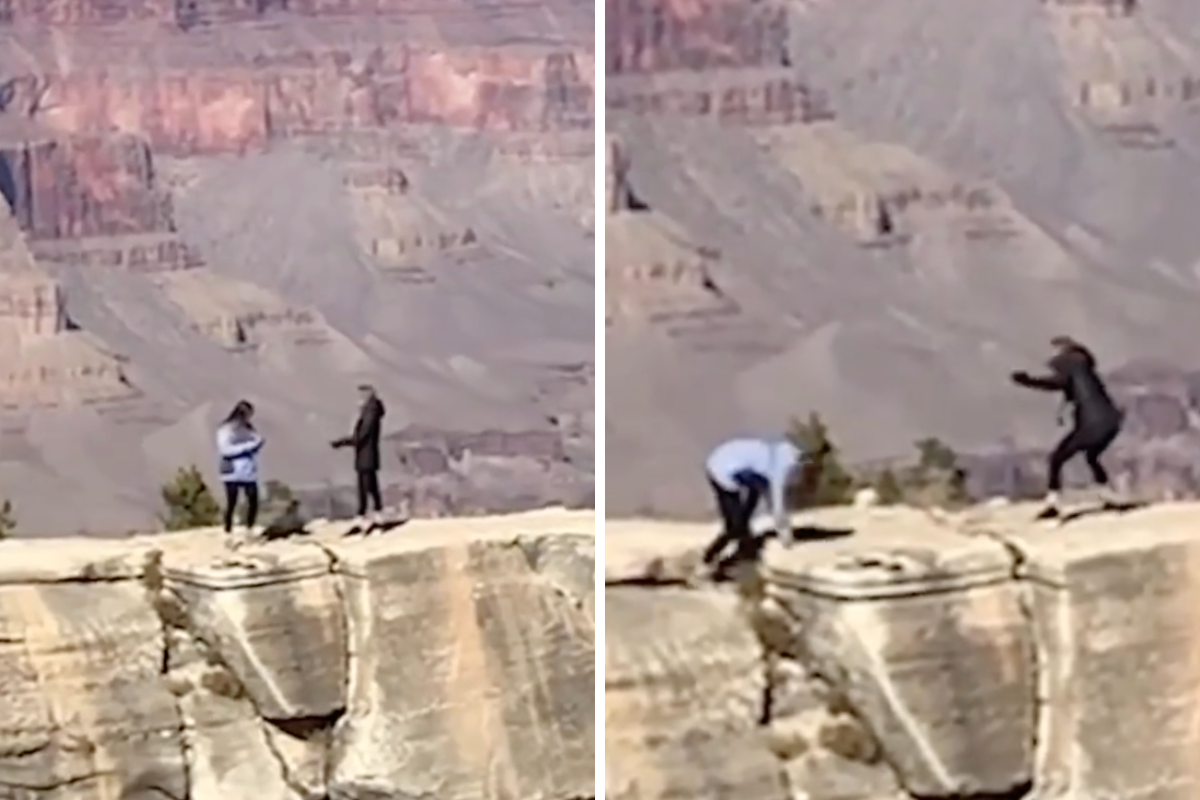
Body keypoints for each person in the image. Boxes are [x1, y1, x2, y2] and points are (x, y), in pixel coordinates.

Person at [1011, 336, 1124, 519]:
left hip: (1091, 424)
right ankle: (1106, 493)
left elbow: (1055, 383)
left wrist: (1027, 381)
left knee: (1056, 459)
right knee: (1092, 456)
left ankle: (1053, 502)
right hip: (1110, 422)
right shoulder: (1085, 367)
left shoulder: (1070, 366)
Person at [701, 436, 824, 570]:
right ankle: (734, 563)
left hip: (728, 462)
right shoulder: (780, 467)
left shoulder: (782, 451)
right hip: (722, 471)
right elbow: (778, 506)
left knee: (742, 519)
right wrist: (785, 535)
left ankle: (710, 557)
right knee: (737, 526)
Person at [331, 384, 386, 522]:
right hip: (366, 454)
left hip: (366, 454)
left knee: (365, 485)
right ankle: (376, 511)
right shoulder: (370, 411)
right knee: (370, 484)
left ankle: (364, 514)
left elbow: (362, 435)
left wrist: (342, 442)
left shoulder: (370, 412)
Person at [216, 400, 264, 535]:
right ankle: (228, 529)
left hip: (248, 470)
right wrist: (249, 446)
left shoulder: (249, 428)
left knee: (253, 500)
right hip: (231, 470)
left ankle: (250, 528)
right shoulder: (225, 430)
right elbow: (225, 450)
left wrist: (258, 443)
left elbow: (255, 439)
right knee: (232, 501)